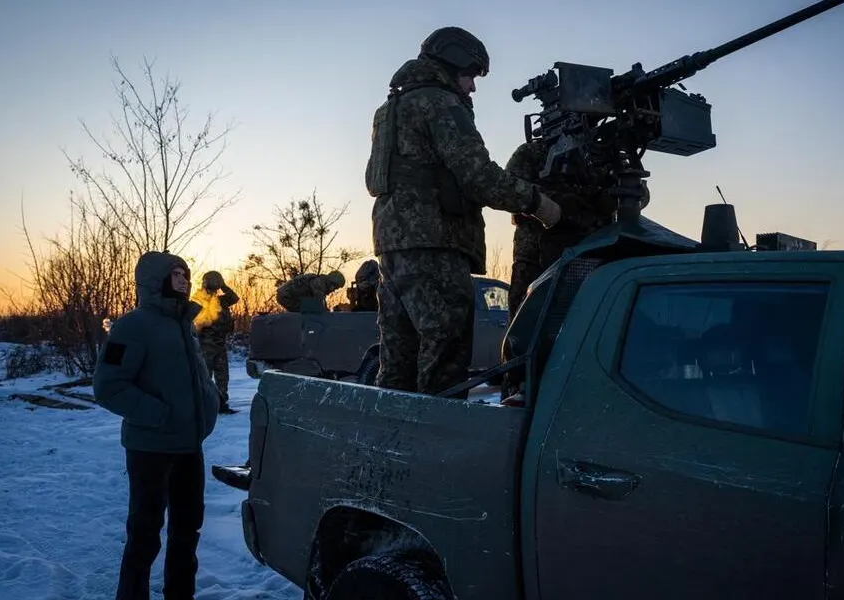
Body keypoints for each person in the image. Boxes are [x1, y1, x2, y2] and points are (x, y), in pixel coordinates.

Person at [364, 26, 561, 396]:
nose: (472, 87)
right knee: (445, 358)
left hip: (393, 249)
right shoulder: (440, 103)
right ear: (453, 62)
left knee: (397, 361)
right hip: (435, 244)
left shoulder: (388, 110)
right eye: (471, 75)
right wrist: (537, 204)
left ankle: (391, 444)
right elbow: (477, 175)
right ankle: (439, 446)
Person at [93, 250, 221, 600]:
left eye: (185, 274)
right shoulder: (132, 326)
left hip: (189, 446)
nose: (184, 280)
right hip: (150, 449)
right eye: (176, 274)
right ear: (156, 280)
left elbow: (194, 379)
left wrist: (207, 407)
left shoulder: (185, 325)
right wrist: (159, 415)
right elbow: (108, 387)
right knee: (145, 534)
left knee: (187, 532)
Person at [506, 139, 650, 317]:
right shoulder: (535, 151)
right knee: (528, 321)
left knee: (587, 320)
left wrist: (615, 198)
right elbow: (509, 189)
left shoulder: (604, 153)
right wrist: (557, 202)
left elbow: (640, 193)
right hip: (537, 258)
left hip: (591, 257)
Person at [192, 270, 240, 414]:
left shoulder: (220, 300)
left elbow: (234, 298)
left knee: (222, 376)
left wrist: (223, 285)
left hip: (220, 343)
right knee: (205, 376)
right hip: (206, 344)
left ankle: (221, 404)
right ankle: (204, 405)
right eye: (214, 282)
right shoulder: (199, 299)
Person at [275, 270, 345, 313]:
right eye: (335, 287)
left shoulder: (319, 280)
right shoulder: (320, 283)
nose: (333, 290)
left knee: (311, 307)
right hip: (286, 296)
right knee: (313, 309)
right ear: (331, 282)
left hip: (286, 295)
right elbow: (319, 303)